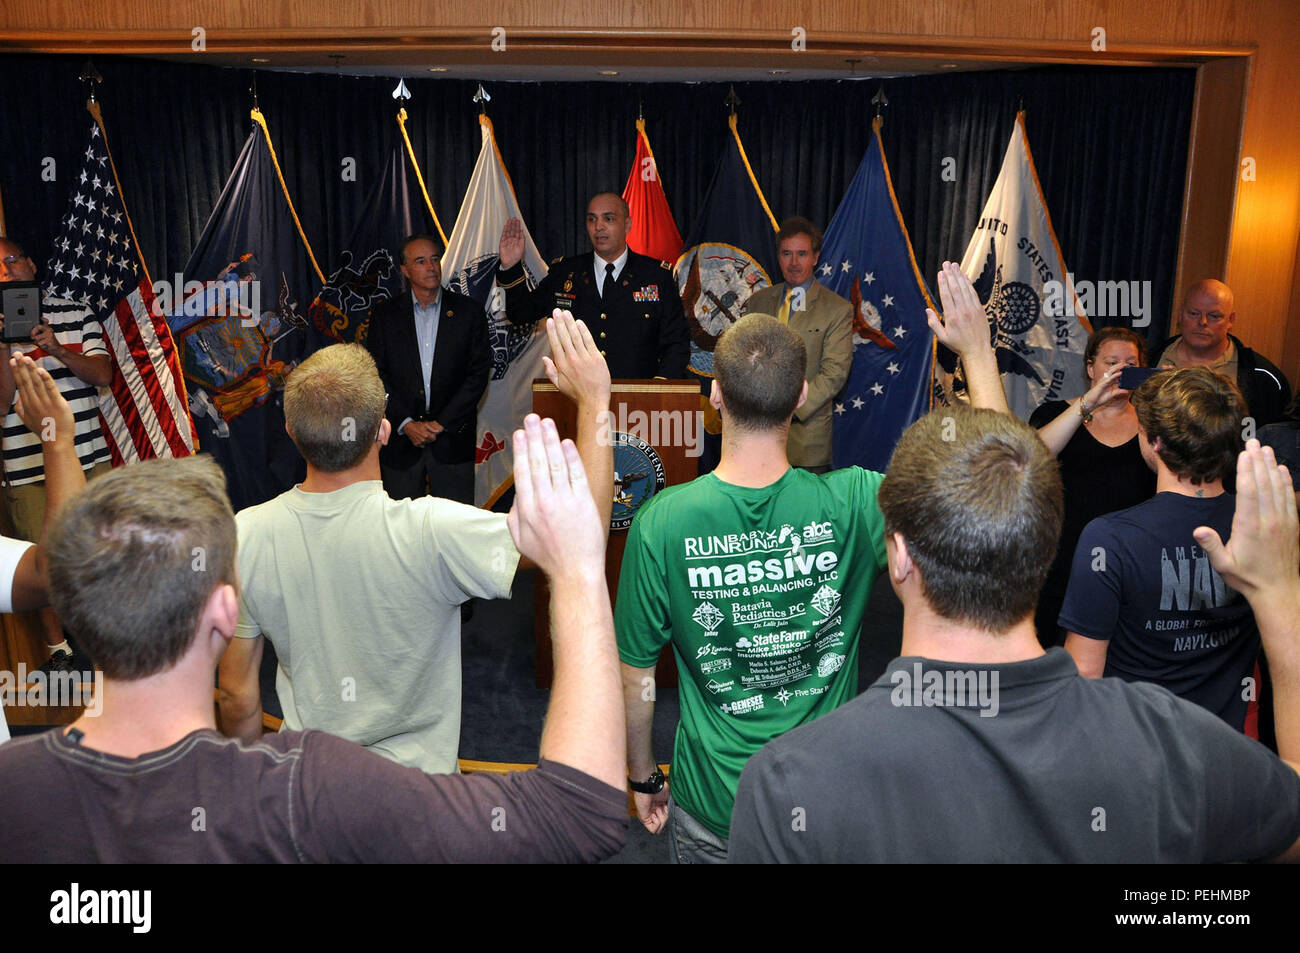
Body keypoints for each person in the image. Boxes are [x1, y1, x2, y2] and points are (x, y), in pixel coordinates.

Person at [0, 411, 629, 863]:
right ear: (223, 611)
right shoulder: (306, 790)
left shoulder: (14, 786)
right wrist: (576, 569)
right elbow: (578, 817)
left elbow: (240, 701)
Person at [729, 412, 1300, 863]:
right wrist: (1277, 596)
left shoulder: (790, 782)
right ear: (1046, 549)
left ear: (899, 555)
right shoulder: (1169, 739)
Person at [615, 262, 1010, 863]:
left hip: (714, 806)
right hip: (828, 802)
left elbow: (636, 672)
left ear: (714, 393)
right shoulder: (853, 502)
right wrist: (978, 356)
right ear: (801, 396)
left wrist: (642, 776)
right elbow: (1000, 489)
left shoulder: (660, 522)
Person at [218, 312, 612, 774]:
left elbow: (237, 696)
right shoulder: (432, 531)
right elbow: (582, 538)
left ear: (291, 431)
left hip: (304, 790)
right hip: (419, 798)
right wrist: (594, 402)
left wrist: (244, 791)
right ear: (383, 431)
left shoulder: (246, 533)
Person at [1062, 368, 1260, 732]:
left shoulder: (1110, 537)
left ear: (1155, 442)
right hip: (1225, 752)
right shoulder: (1264, 525)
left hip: (1136, 755)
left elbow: (1084, 673)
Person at [0, 237, 113, 674]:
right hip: (28, 469)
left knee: (103, 553)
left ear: (30, 263)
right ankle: (58, 651)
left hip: (87, 459)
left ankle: (108, 640)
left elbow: (103, 374)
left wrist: (56, 348)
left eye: (12, 260)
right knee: (40, 559)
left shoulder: (75, 312)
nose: (7, 271)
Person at [1028, 327, 1155, 646]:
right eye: (1111, 362)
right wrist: (1089, 403)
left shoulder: (1153, 424)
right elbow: (1031, 458)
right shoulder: (1054, 413)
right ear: (1090, 368)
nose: (1120, 371)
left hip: (1129, 567)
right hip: (1059, 563)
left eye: (1131, 363)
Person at [497, 192, 690, 379]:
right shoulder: (564, 272)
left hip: (637, 402)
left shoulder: (656, 276)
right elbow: (520, 313)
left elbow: (676, 343)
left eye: (609, 219)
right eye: (592, 219)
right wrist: (510, 267)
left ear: (627, 224)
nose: (599, 227)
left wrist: (659, 389)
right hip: (576, 398)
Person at [364, 233, 491, 506]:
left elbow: (477, 375)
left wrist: (442, 423)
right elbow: (375, 375)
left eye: (435, 259)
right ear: (405, 270)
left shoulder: (469, 313)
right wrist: (405, 423)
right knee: (400, 535)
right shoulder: (385, 315)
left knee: (455, 532)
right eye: (420, 261)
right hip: (400, 447)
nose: (431, 267)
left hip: (452, 443)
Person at [742, 217, 853, 472]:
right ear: (778, 256)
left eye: (801, 254)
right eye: (787, 254)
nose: (793, 263)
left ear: (815, 257)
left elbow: (834, 374)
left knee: (804, 513)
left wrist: (787, 408)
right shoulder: (758, 302)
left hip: (805, 443)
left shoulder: (837, 309)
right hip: (755, 438)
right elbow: (745, 360)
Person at [1154, 278, 1291, 427]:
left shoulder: (1263, 377)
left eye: (1214, 316)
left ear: (1230, 320)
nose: (1203, 322)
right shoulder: (1148, 359)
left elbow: (1278, 439)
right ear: (1180, 315)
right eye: (1193, 314)